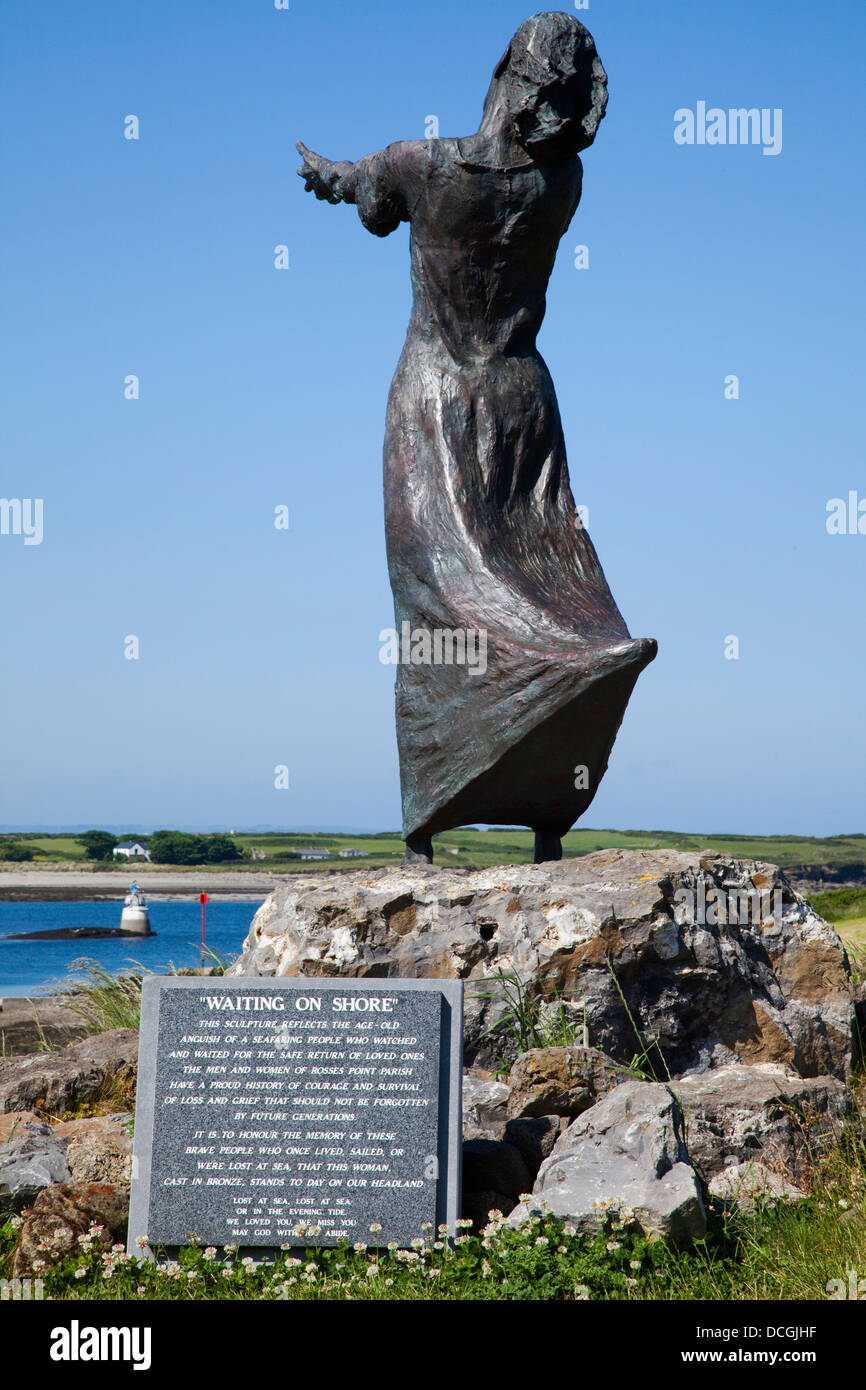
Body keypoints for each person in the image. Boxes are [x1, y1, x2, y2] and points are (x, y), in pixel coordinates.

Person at [298, 13, 656, 864]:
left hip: (436, 396)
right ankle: (544, 800)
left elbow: (373, 204)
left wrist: (337, 176)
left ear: (503, 72)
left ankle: (428, 822)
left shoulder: (422, 164)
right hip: (524, 395)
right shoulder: (562, 184)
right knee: (537, 577)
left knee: (435, 604)